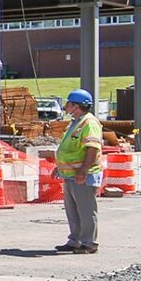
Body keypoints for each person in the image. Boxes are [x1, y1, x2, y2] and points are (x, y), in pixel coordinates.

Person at [55, 89, 104, 254]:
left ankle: (89, 243)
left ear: (75, 106)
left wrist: (83, 171)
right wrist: (59, 165)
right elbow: (69, 148)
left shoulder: (89, 123)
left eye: (68, 103)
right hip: (70, 175)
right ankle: (75, 240)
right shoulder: (76, 122)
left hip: (83, 175)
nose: (65, 106)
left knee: (86, 210)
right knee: (73, 211)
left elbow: (92, 149)